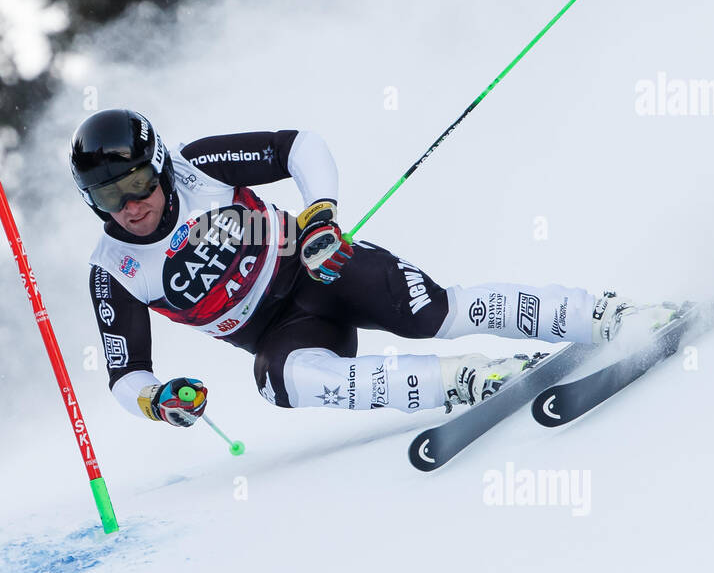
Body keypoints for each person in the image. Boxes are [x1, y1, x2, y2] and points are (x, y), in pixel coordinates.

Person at [73, 108, 674, 428]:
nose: (131, 206)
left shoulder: (197, 165)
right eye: (109, 198)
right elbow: (126, 375)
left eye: (136, 183)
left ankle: (608, 315)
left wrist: (320, 216)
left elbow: (300, 146)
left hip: (318, 270)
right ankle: (466, 380)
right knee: (278, 383)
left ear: (157, 165)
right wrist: (158, 400)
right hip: (285, 333)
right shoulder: (113, 269)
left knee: (431, 314)